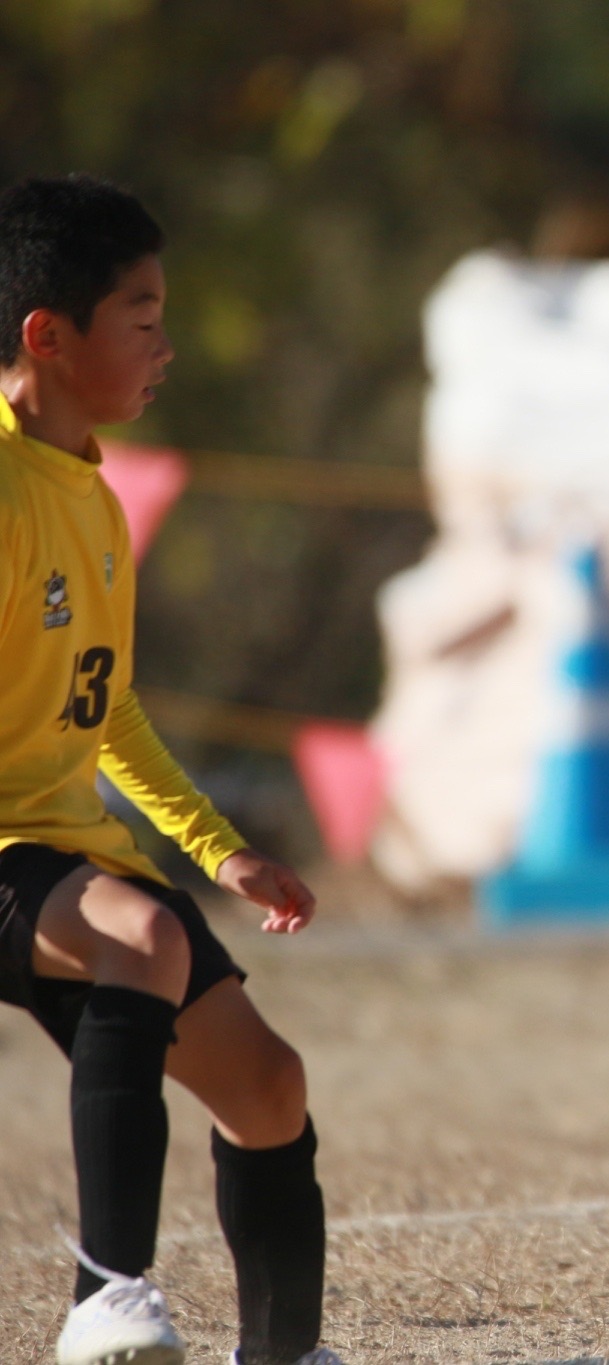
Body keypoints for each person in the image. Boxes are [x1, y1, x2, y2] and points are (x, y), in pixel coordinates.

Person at [0, 175, 341, 1365]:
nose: (167, 346)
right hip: (9, 861)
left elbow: (110, 713)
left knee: (270, 1091)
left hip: (63, 861)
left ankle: (285, 1354)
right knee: (137, 938)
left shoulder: (89, 494)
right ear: (49, 335)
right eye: (141, 319)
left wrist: (222, 849)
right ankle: (105, 1296)